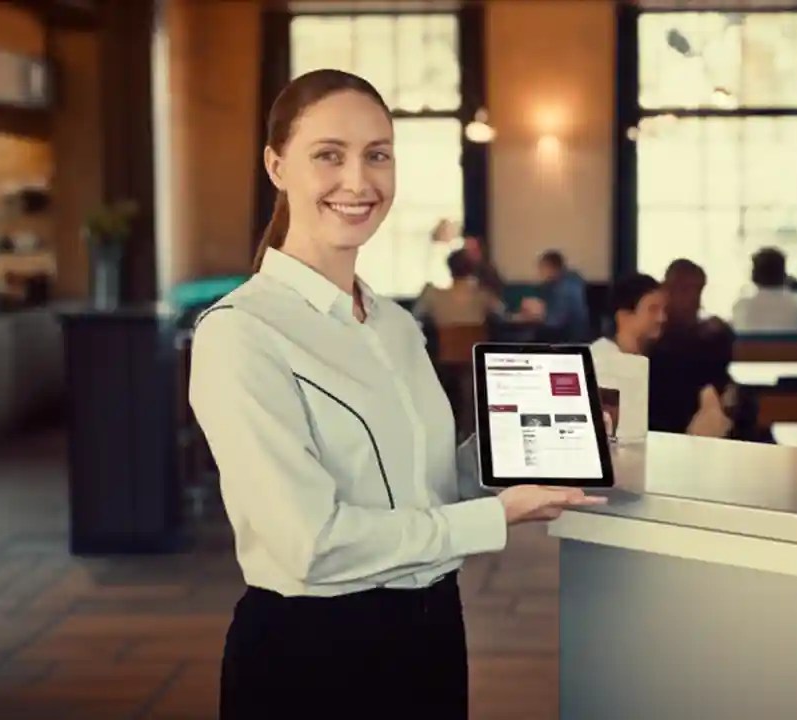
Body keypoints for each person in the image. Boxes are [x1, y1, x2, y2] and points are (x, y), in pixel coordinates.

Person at [187, 69, 604, 720]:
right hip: (315, 655)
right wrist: (499, 517)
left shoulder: (394, 323)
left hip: (434, 629)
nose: (359, 180)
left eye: (377, 154)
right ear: (276, 165)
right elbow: (312, 544)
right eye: (329, 154)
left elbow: (423, 485)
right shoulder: (240, 334)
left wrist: (523, 449)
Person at [647, 259, 741, 438]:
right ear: (666, 290)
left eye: (696, 291)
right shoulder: (656, 335)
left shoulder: (714, 335)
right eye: (683, 289)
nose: (691, 298)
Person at [731, 247, 797, 334]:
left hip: (753, 349)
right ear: (784, 275)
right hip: (789, 348)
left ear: (754, 277)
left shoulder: (741, 306)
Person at [412, 249, 504, 326]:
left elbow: (415, 317)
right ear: (471, 269)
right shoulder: (483, 296)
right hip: (475, 347)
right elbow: (502, 313)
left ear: (450, 268)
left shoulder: (432, 296)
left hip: (445, 348)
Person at [519, 250, 590, 342]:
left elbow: (555, 322)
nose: (540, 273)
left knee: (525, 339)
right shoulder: (555, 283)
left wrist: (538, 315)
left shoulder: (566, 288)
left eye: (542, 268)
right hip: (565, 334)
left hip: (570, 339)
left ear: (551, 268)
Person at [590, 273, 666, 357]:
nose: (662, 318)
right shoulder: (597, 359)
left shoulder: (658, 358)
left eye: (664, 310)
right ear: (623, 316)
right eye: (653, 309)